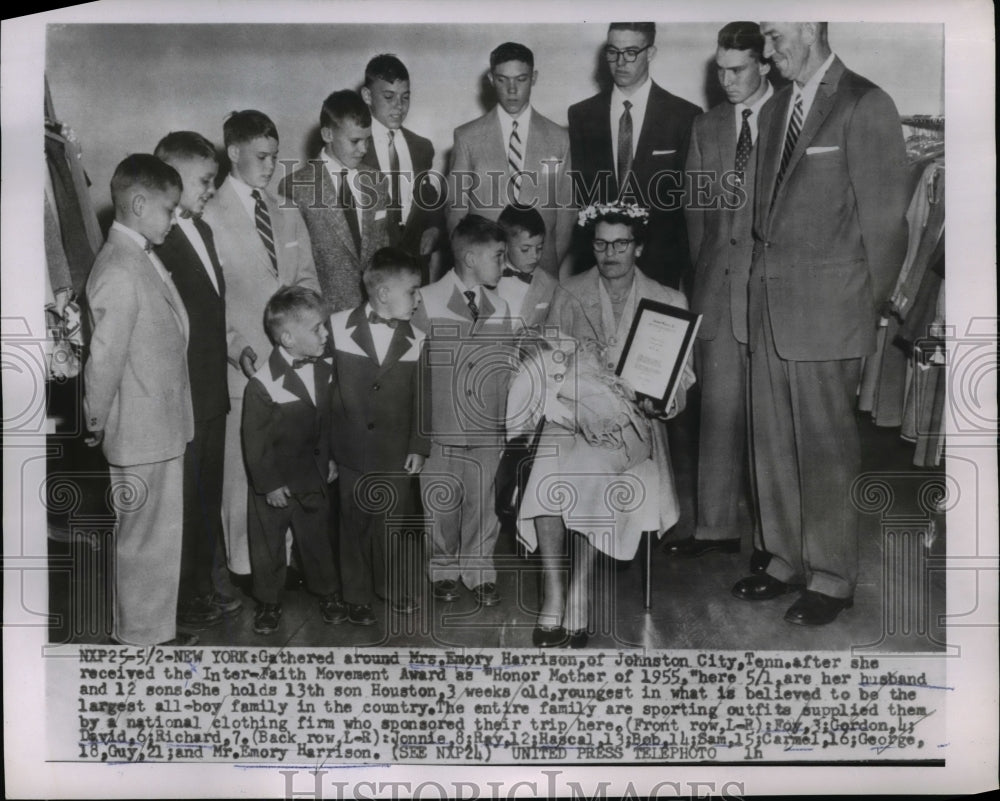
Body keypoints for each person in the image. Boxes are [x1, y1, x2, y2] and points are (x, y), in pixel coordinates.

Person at [731, 22, 909, 625]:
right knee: (771, 442)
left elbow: (887, 227)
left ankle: (832, 578)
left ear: (810, 27)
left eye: (777, 34)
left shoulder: (865, 102)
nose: (768, 48)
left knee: (826, 451)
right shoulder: (778, 104)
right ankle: (783, 559)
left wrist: (864, 316)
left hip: (830, 312)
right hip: (769, 306)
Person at [511, 202, 695, 647]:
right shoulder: (569, 291)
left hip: (632, 424)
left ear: (639, 247)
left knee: (589, 467)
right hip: (573, 412)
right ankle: (554, 591)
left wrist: (662, 401)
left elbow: (683, 379)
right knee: (547, 465)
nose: (610, 253)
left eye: (621, 244)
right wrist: (570, 401)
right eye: (601, 244)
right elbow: (551, 362)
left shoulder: (669, 300)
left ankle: (580, 592)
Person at [668, 22, 772, 570]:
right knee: (718, 415)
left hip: (771, 295)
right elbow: (694, 215)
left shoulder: (787, 118)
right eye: (720, 70)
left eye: (738, 69)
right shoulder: (706, 127)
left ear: (765, 64)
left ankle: (773, 543)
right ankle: (714, 526)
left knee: (768, 424)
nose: (727, 79)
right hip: (716, 290)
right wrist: (701, 282)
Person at [83, 154, 196, 646]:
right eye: (170, 210)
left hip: (159, 421)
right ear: (138, 203)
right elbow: (103, 359)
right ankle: (139, 639)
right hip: (139, 424)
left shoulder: (139, 256)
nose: (175, 219)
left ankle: (152, 630)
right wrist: (95, 417)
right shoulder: (120, 267)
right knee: (144, 540)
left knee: (158, 538)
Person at [202, 109, 319, 579]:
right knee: (242, 472)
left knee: (290, 461)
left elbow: (307, 277)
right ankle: (245, 567)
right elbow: (209, 301)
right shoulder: (207, 214)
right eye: (262, 156)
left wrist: (305, 334)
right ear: (234, 153)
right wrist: (235, 346)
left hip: (293, 363)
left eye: (275, 156)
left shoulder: (287, 210)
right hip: (242, 366)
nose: (271, 166)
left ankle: (284, 562)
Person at [154, 131, 243, 629]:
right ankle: (185, 596)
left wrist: (235, 345)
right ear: (172, 177)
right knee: (183, 501)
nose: (211, 189)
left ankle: (203, 584)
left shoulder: (203, 232)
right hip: (184, 394)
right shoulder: (159, 242)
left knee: (207, 495)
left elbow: (211, 310)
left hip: (212, 391)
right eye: (205, 181)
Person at [414, 215, 513, 606]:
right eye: (498, 257)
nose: (504, 265)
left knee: (484, 505)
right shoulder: (426, 300)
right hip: (440, 428)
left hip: (487, 429)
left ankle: (480, 569)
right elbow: (414, 372)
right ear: (470, 258)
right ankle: (442, 568)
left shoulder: (502, 307)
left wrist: (507, 428)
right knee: (440, 504)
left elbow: (505, 369)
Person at [328, 247, 429, 624]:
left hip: (394, 452)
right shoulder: (337, 327)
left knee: (391, 524)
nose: (419, 301)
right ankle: (355, 594)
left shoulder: (417, 339)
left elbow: (423, 396)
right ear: (383, 293)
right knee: (352, 523)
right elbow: (325, 392)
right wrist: (326, 451)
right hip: (349, 450)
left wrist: (419, 446)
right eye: (413, 291)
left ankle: (390, 586)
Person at [241, 286, 346, 635]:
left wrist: (329, 458)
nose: (325, 334)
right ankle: (268, 601)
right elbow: (254, 443)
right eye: (317, 328)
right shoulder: (262, 383)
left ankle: (327, 592)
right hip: (274, 483)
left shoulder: (324, 368)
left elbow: (326, 422)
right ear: (287, 338)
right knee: (268, 545)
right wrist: (268, 484)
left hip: (311, 475)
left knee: (316, 538)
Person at [568, 22, 701, 289]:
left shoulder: (684, 116)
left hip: (660, 266)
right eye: (612, 52)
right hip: (597, 266)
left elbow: (688, 206)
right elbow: (579, 196)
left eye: (631, 52)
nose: (620, 62)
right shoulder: (582, 115)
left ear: (651, 52)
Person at [448, 42, 574, 278]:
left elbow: (566, 215)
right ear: (491, 79)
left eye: (521, 79)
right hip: (482, 271)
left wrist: (545, 266)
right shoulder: (467, 137)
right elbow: (456, 213)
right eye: (503, 79)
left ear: (534, 78)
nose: (512, 89)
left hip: (540, 271)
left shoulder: (559, 139)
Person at [280, 90, 389, 313]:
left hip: (376, 310)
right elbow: (294, 267)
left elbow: (383, 247)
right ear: (328, 135)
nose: (364, 149)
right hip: (325, 315)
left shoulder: (376, 181)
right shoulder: (295, 187)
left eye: (367, 140)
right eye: (355, 141)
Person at [360, 54, 444, 273]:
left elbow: (427, 195)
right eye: (389, 96)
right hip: (372, 270)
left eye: (405, 97)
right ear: (367, 96)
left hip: (415, 268)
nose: (399, 106)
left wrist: (434, 228)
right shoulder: (355, 148)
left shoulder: (421, 147)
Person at [495, 203, 558, 332]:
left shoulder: (551, 285)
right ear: (504, 244)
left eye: (539, 248)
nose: (535, 256)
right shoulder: (484, 275)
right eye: (525, 249)